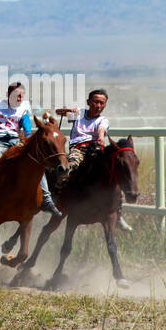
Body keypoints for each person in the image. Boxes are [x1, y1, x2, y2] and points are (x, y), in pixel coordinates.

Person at [0, 82, 59, 216]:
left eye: (21, 96)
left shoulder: (23, 111)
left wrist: (26, 140)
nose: (19, 99)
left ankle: (47, 200)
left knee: (37, 163)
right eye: (16, 95)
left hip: (16, 140)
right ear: (8, 95)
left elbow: (27, 130)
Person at [55, 87, 133, 231]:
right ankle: (58, 201)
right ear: (89, 102)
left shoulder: (103, 120)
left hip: (95, 148)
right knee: (68, 168)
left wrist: (101, 139)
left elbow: (101, 131)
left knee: (114, 173)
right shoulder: (79, 114)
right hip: (78, 149)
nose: (98, 106)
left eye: (102, 103)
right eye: (95, 102)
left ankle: (119, 213)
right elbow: (58, 113)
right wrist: (67, 111)